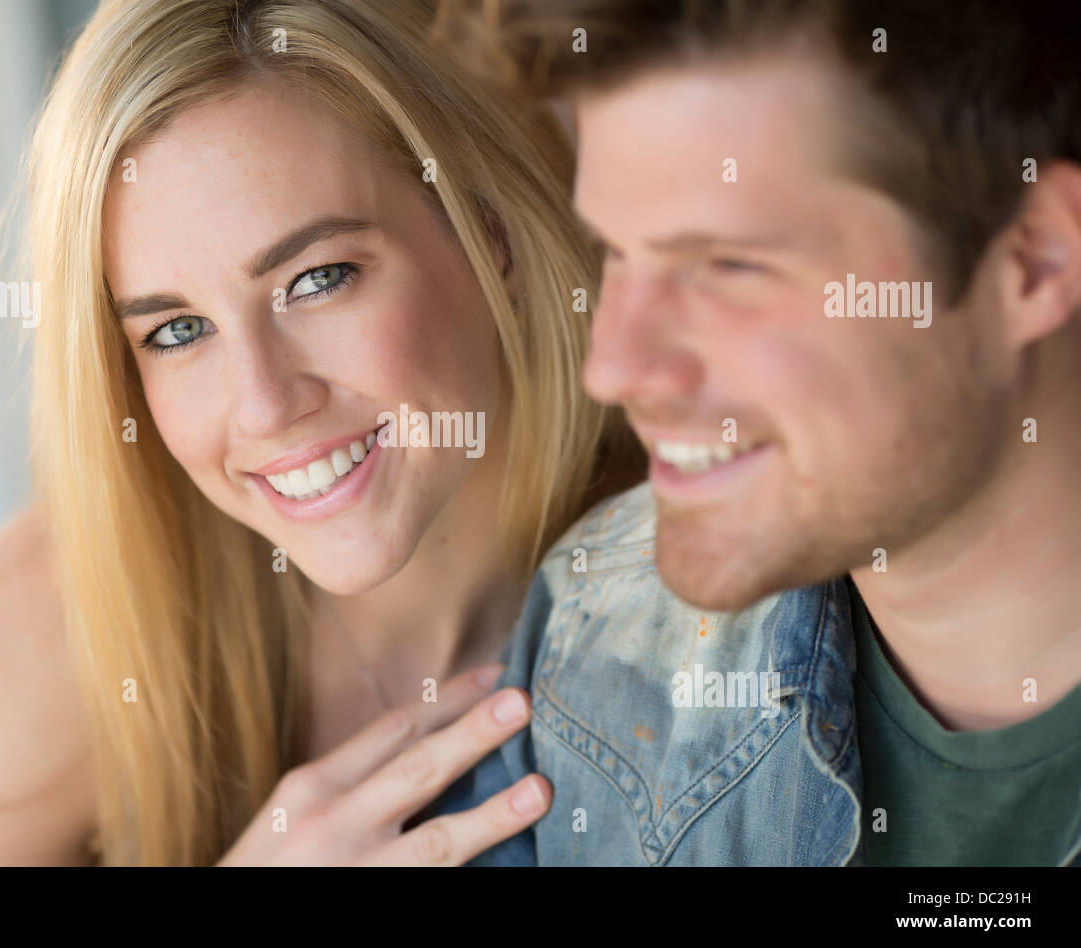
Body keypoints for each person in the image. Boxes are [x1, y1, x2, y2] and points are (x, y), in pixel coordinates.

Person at [0, 0, 642, 865]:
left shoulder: (720, 554)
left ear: (490, 234)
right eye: (175, 331)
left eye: (316, 279)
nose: (264, 407)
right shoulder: (24, 642)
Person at [433, 0, 1081, 865]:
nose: (615, 368)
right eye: (619, 254)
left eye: (728, 266)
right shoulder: (595, 639)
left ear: (1034, 258)